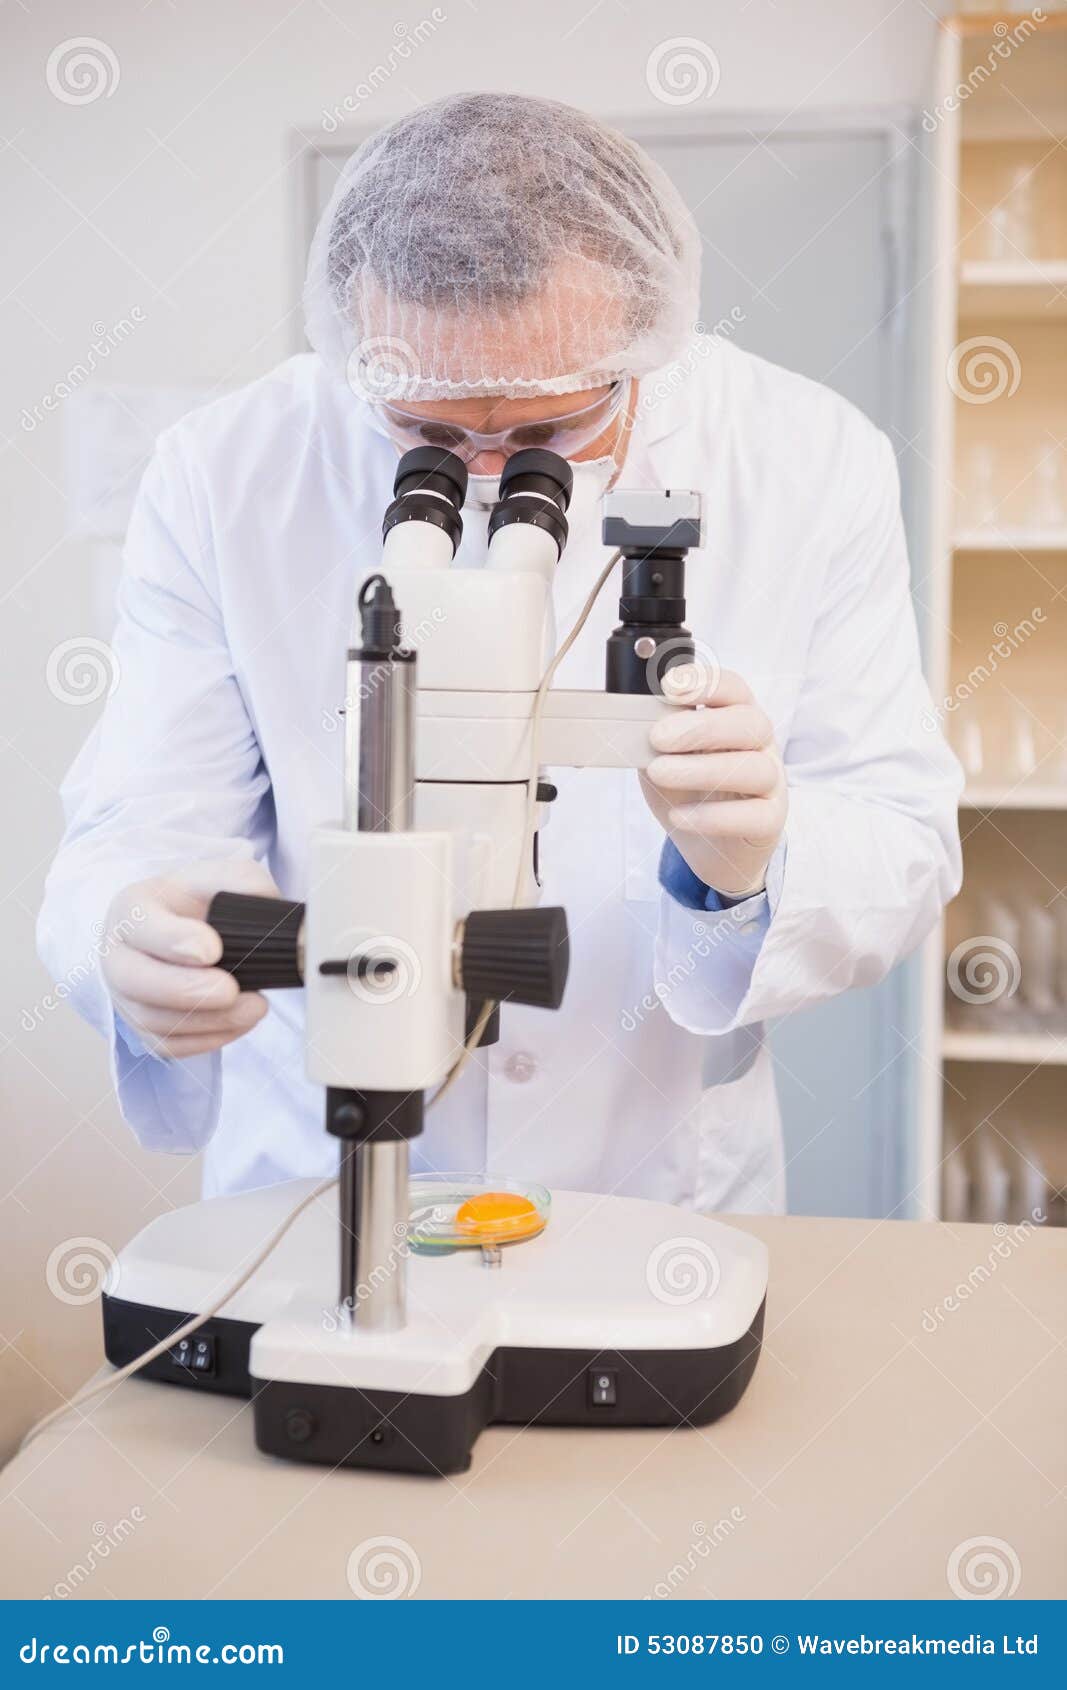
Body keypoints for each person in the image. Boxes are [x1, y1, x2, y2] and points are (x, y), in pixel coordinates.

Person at [38, 93, 961, 1210]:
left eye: (541, 435)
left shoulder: (807, 458)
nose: (481, 476)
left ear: (641, 351)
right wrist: (123, 939)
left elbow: (901, 835)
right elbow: (138, 822)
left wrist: (755, 862)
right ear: (358, 345)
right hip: (316, 1178)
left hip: (654, 1181)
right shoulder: (224, 469)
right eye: (427, 436)